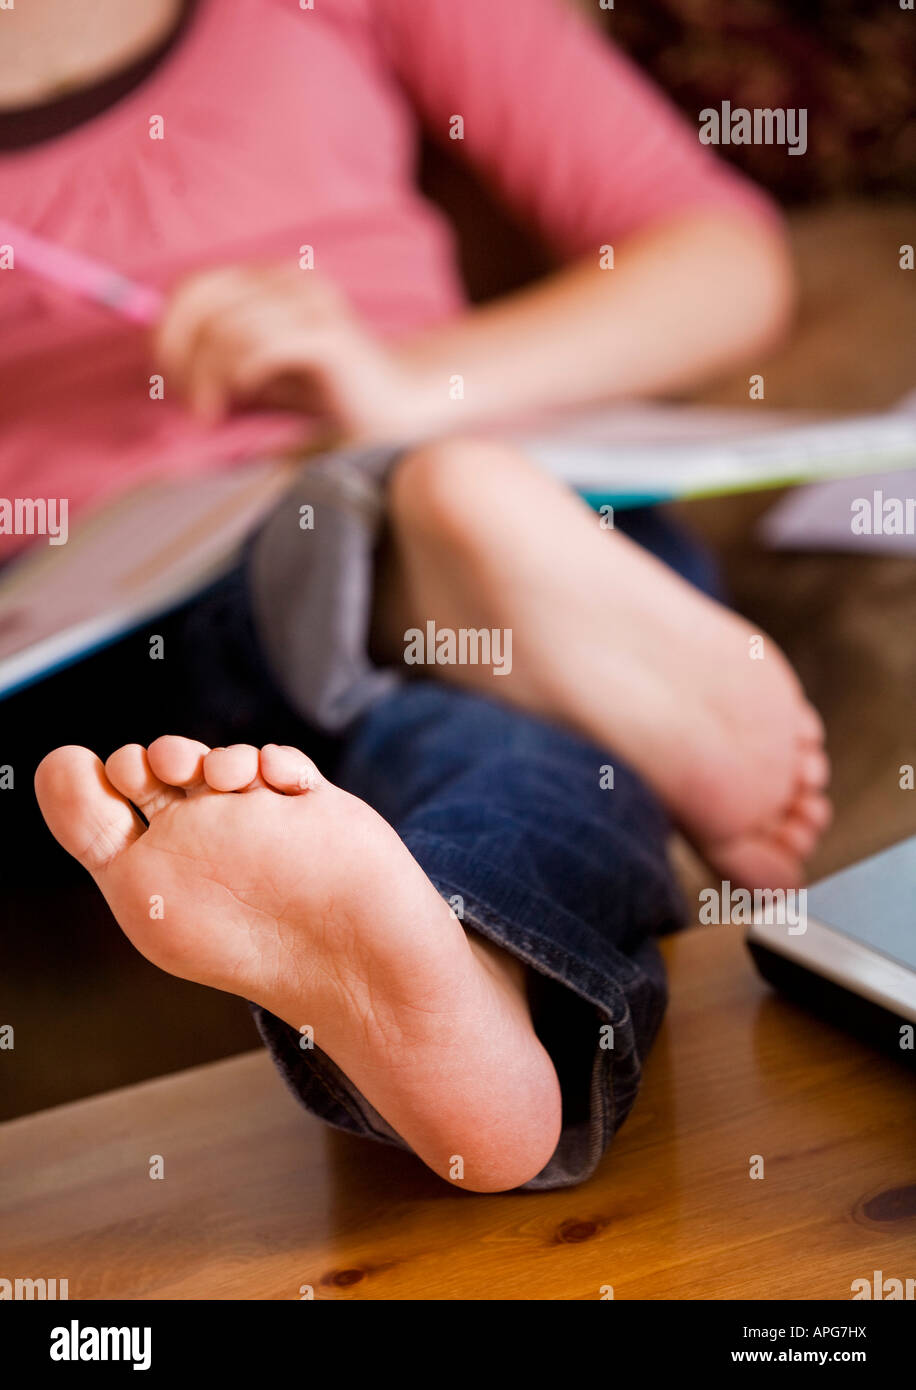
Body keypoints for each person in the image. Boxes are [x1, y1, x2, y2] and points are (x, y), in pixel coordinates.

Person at [7, 0, 830, 1189]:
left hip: (441, 442)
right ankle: (459, 949)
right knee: (491, 734)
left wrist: (402, 389)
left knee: (410, 691)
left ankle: (438, 551)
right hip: (136, 599)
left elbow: (720, 257)